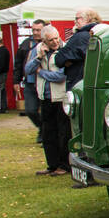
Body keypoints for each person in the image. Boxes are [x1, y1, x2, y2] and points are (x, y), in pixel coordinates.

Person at [33, 26, 71, 176]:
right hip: (45, 97)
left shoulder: (65, 50)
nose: (55, 41)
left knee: (63, 133)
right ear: (44, 41)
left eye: (56, 38)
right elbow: (29, 68)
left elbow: (61, 76)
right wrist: (38, 58)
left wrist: (41, 72)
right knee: (48, 133)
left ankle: (64, 165)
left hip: (60, 97)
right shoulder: (38, 50)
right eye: (51, 40)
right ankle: (52, 165)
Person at [15, 20, 47, 142]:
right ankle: (41, 127)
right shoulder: (26, 44)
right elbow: (18, 63)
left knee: (45, 111)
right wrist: (16, 81)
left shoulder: (49, 43)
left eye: (38, 30)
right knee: (30, 110)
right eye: (33, 30)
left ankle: (44, 133)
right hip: (29, 82)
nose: (35, 32)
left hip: (44, 81)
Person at [54, 8, 100, 89]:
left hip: (77, 82)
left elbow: (58, 59)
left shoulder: (80, 37)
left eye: (77, 18)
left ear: (88, 19)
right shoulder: (101, 33)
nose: (74, 21)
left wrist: (70, 60)